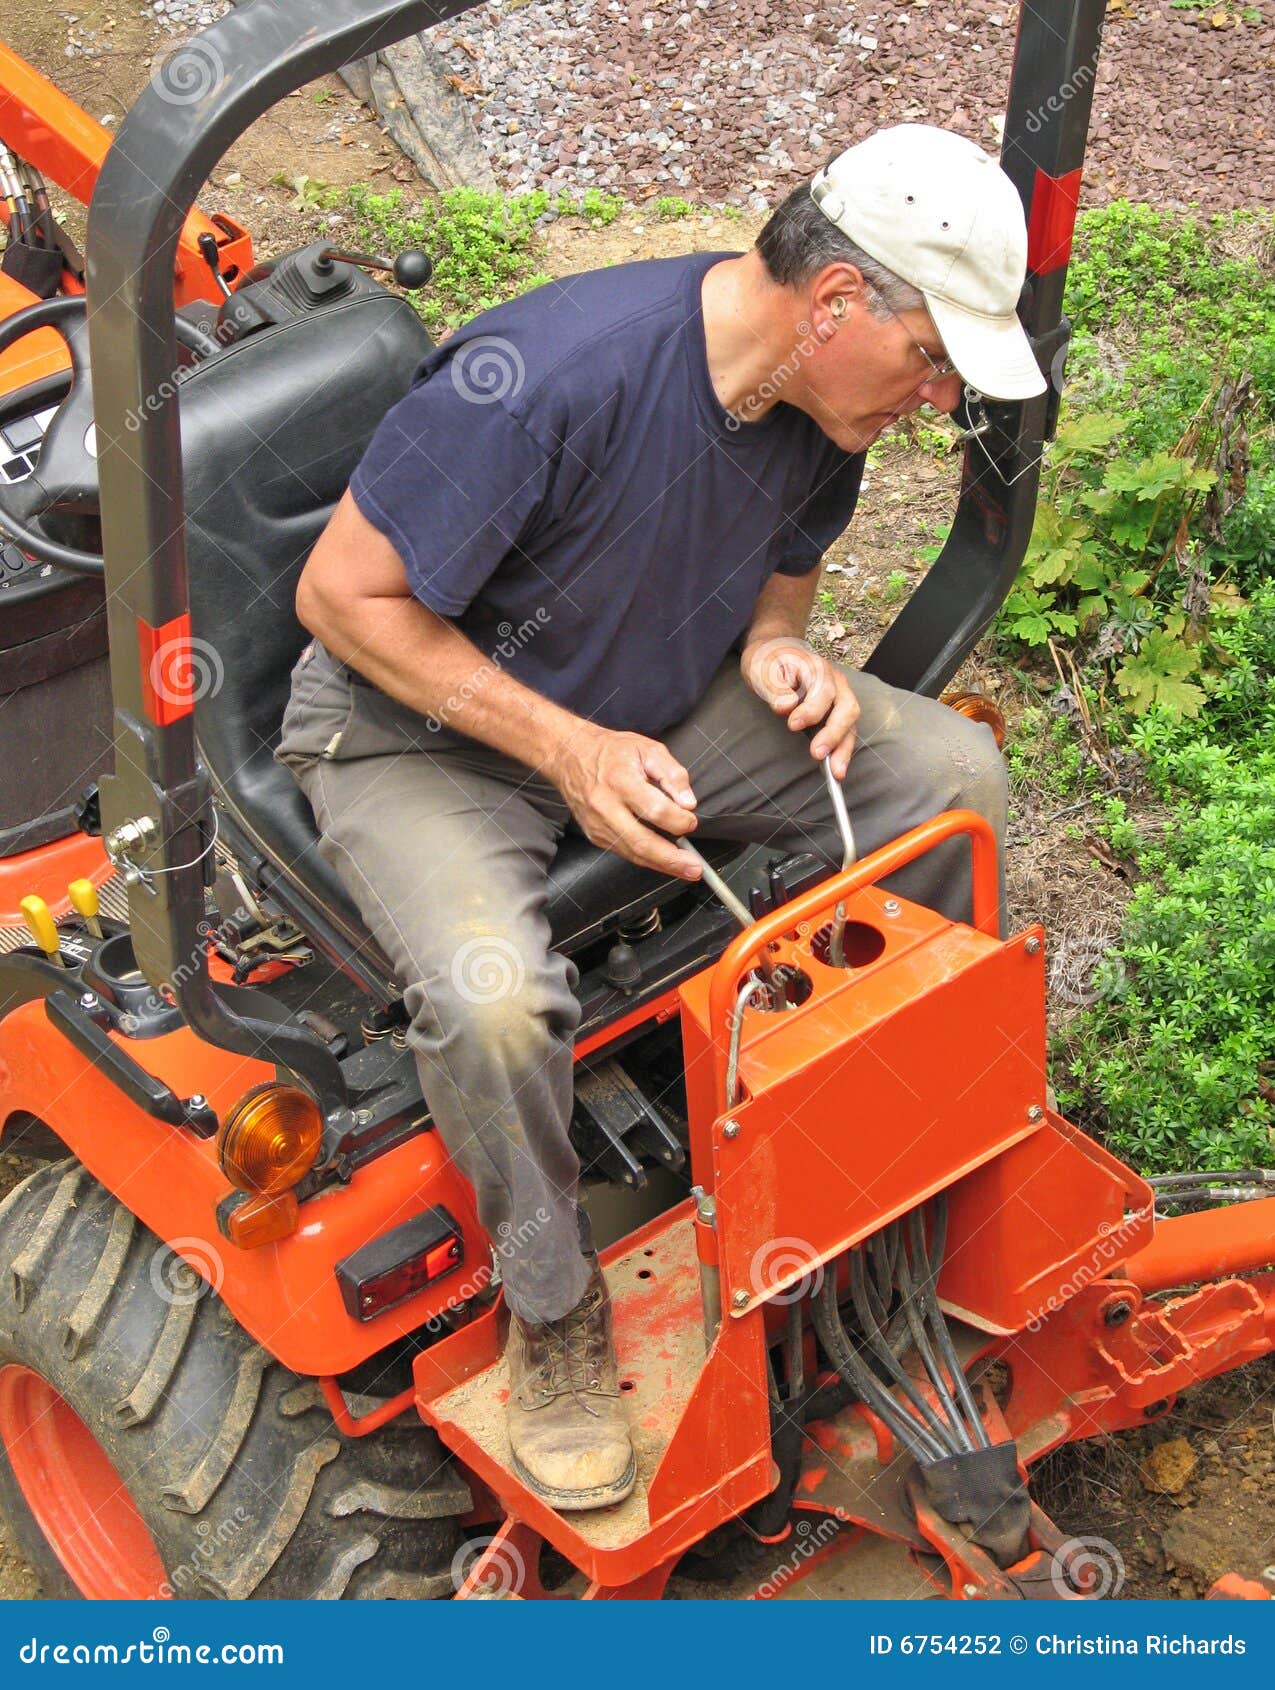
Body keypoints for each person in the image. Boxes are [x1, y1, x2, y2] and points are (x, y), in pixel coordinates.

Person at [277, 123, 1046, 1513]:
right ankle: (554, 1310)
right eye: (931, 356)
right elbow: (339, 599)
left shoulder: (824, 408)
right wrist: (571, 751)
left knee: (948, 784)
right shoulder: (549, 382)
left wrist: (774, 649)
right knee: (496, 999)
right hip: (421, 741)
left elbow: (786, 570)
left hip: (657, 695)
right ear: (834, 305)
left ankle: (879, 1150)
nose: (936, 399)